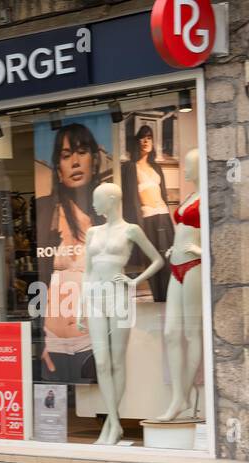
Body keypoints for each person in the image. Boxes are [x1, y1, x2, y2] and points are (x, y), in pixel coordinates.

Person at [35, 123, 105, 383]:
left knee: (97, 414)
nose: (75, 162)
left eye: (81, 152)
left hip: (92, 342)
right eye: (66, 156)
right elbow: (40, 281)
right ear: (58, 168)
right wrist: (40, 341)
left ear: (95, 160)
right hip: (52, 344)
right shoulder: (46, 212)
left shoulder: (106, 218)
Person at [120, 124, 174, 302]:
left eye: (149, 137)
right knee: (153, 260)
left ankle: (168, 298)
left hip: (163, 216)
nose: (146, 141)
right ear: (137, 142)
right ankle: (159, 298)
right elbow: (129, 200)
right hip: (147, 218)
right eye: (143, 137)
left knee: (168, 259)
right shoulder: (130, 168)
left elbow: (163, 195)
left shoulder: (156, 168)